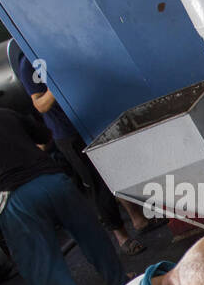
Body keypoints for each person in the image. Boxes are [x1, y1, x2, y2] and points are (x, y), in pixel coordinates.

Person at [0, 106, 126, 285]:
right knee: (95, 240)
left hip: (15, 197)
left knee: (44, 267)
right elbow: (44, 136)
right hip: (54, 180)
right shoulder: (3, 112)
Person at [13, 48, 152, 255]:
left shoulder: (57, 45)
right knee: (97, 183)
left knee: (116, 170)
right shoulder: (30, 62)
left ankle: (138, 218)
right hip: (67, 131)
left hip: (92, 117)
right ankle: (122, 236)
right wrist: (55, 86)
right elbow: (40, 104)